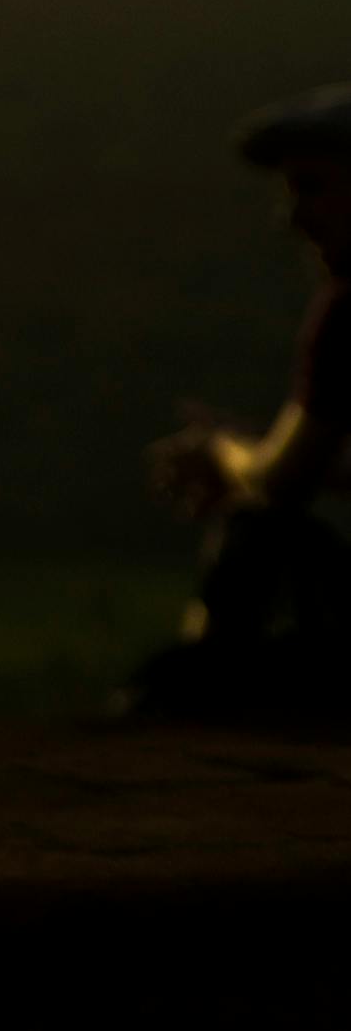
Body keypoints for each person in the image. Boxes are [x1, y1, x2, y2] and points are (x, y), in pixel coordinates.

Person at [128, 90, 351, 725]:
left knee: (255, 532)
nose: (294, 217)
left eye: (314, 188)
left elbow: (280, 482)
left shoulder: (346, 312)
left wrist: (222, 453)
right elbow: (308, 458)